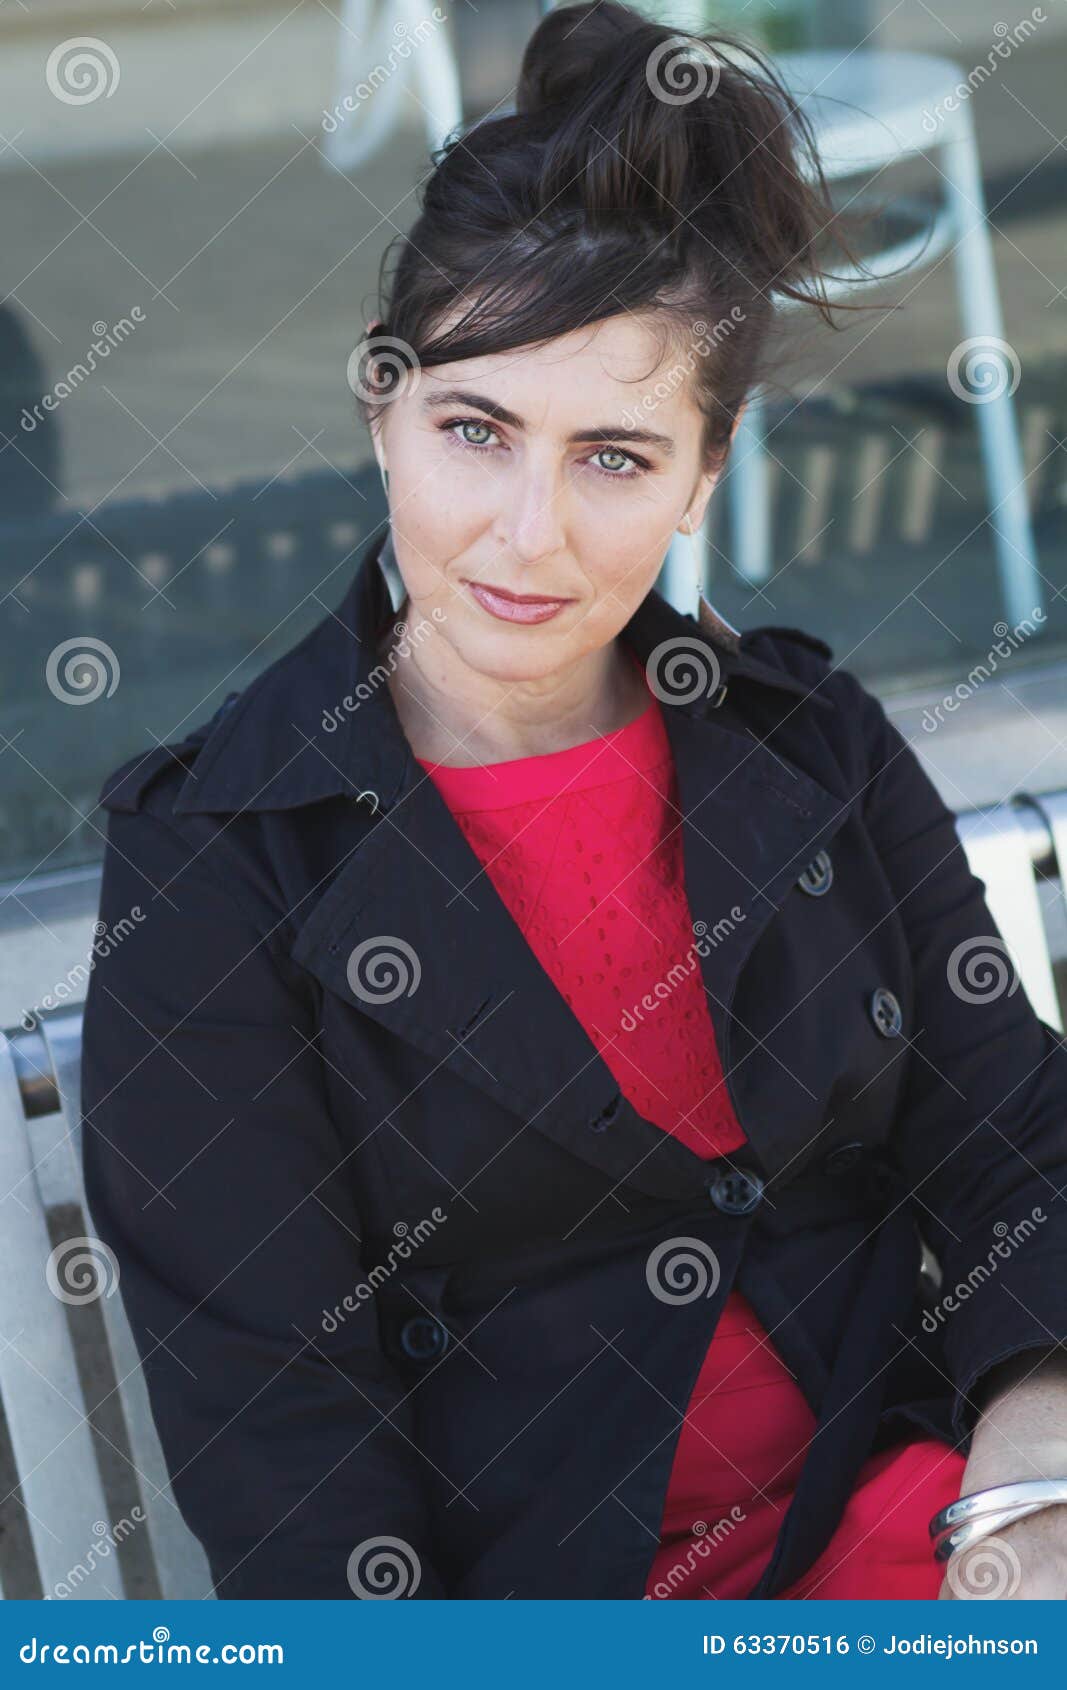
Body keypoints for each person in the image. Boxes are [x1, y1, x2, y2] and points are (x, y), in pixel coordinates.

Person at [80, 2, 1067, 1601]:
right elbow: (286, 1452)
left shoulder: (807, 743)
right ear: (380, 406)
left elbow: (1020, 1139)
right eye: (477, 430)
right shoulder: (216, 863)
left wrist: (1035, 1464)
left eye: (613, 456)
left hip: (923, 1528)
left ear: (707, 471)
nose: (527, 536)